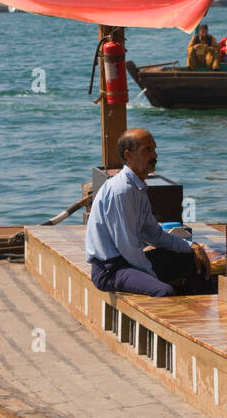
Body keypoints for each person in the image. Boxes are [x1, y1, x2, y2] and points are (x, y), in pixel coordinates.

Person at [85, 128, 215, 299]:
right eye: (148, 150)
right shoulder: (121, 191)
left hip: (130, 261)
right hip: (112, 269)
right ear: (129, 155)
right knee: (164, 291)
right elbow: (128, 248)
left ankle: (203, 310)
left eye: (154, 149)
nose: (155, 155)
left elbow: (154, 234)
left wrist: (191, 246)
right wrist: (151, 276)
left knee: (193, 259)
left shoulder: (138, 188)